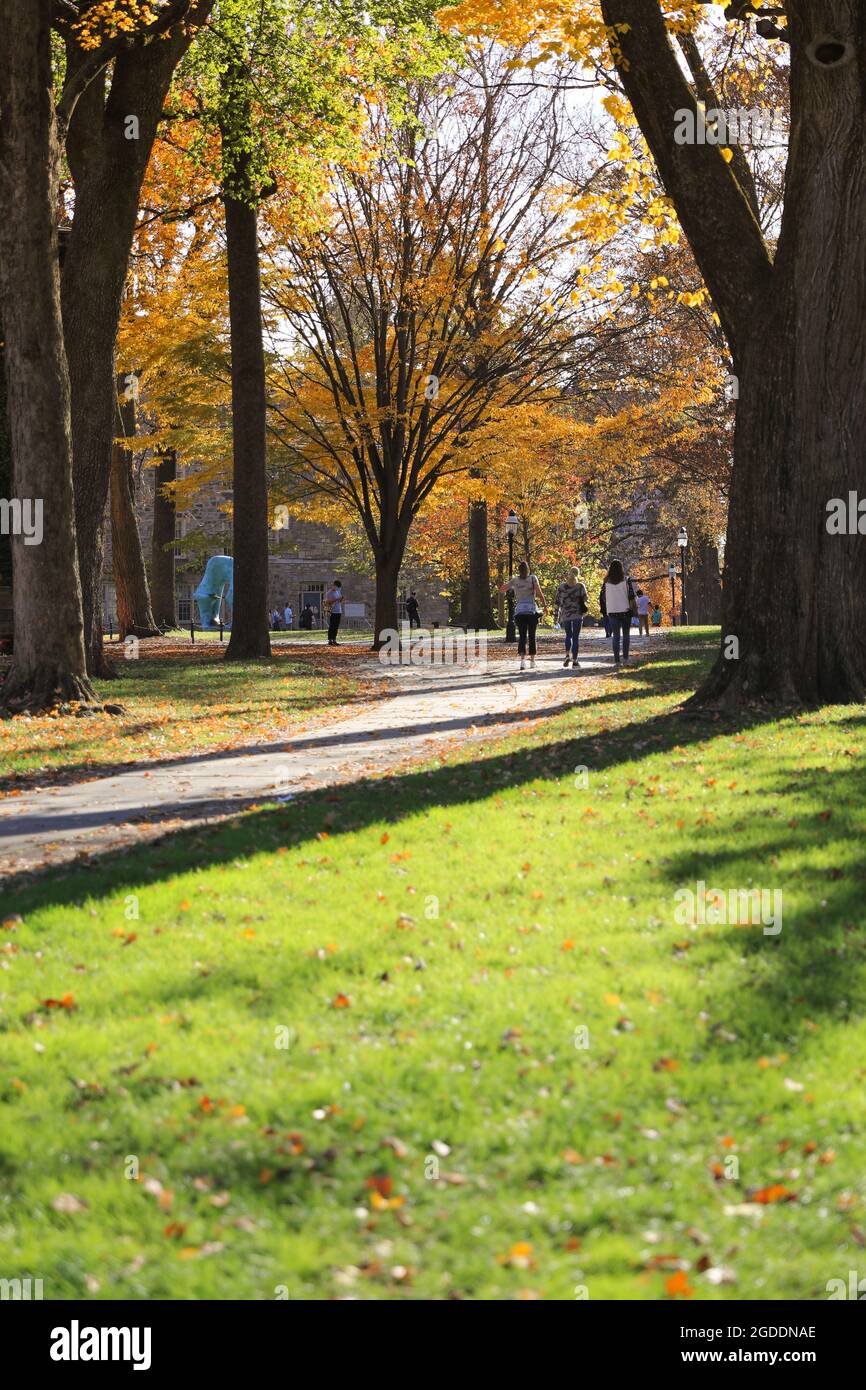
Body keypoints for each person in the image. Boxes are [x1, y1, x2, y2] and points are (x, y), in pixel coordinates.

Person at [501, 561, 546, 671]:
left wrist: (510, 582)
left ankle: (522, 662)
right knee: (532, 636)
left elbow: (502, 589)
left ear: (519, 570)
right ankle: (532, 661)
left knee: (522, 636)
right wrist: (545, 605)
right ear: (528, 569)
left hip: (519, 612)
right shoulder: (533, 578)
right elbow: (539, 593)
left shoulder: (515, 580)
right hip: (531, 611)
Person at [599, 558, 637, 667]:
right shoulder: (626, 579)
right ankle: (625, 658)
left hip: (612, 611)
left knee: (616, 636)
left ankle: (617, 661)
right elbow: (631, 595)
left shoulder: (606, 582)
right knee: (626, 635)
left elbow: (603, 597)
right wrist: (634, 607)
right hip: (625, 610)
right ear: (621, 568)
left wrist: (610, 604)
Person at [553, 566, 588, 669]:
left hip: (566, 615)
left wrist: (556, 617)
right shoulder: (580, 586)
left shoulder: (562, 587)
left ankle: (567, 655)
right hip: (577, 615)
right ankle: (575, 661)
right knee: (576, 637)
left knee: (568, 635)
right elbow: (585, 599)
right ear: (578, 574)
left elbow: (557, 603)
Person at [325, 580, 343, 645]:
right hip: (333, 611)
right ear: (334, 585)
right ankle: (330, 640)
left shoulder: (338, 592)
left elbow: (339, 601)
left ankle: (334, 639)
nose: (338, 588)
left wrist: (340, 599)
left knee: (336, 626)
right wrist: (336, 599)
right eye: (337, 587)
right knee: (332, 626)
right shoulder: (329, 593)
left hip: (339, 610)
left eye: (339, 587)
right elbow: (328, 602)